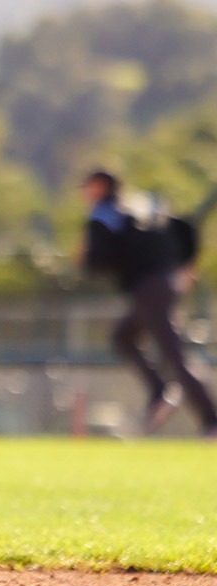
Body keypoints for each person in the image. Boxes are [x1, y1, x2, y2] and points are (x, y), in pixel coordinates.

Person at [76, 168, 217, 437]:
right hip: (161, 284)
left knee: (175, 357)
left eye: (88, 186)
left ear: (100, 186)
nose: (85, 192)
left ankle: (211, 421)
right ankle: (160, 390)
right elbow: (183, 227)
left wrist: (86, 254)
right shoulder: (139, 204)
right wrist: (185, 265)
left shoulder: (103, 215)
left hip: (149, 289)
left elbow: (97, 260)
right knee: (123, 337)